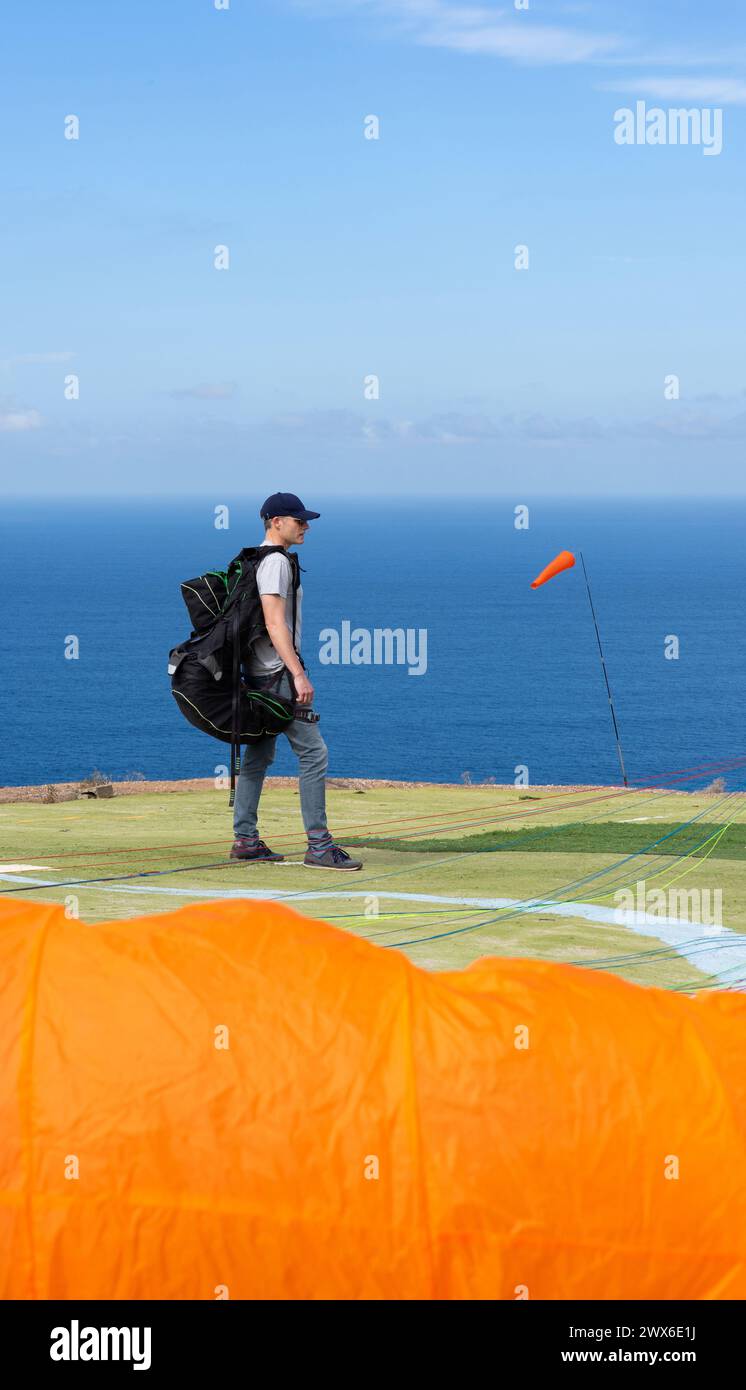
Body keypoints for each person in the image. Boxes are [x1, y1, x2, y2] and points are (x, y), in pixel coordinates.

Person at [230, 492, 363, 871]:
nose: (305, 526)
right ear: (276, 522)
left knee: (259, 753)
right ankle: (319, 846)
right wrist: (298, 673)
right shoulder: (274, 563)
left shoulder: (257, 559)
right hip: (276, 676)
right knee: (314, 753)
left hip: (256, 674)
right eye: (298, 520)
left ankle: (245, 840)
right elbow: (274, 623)